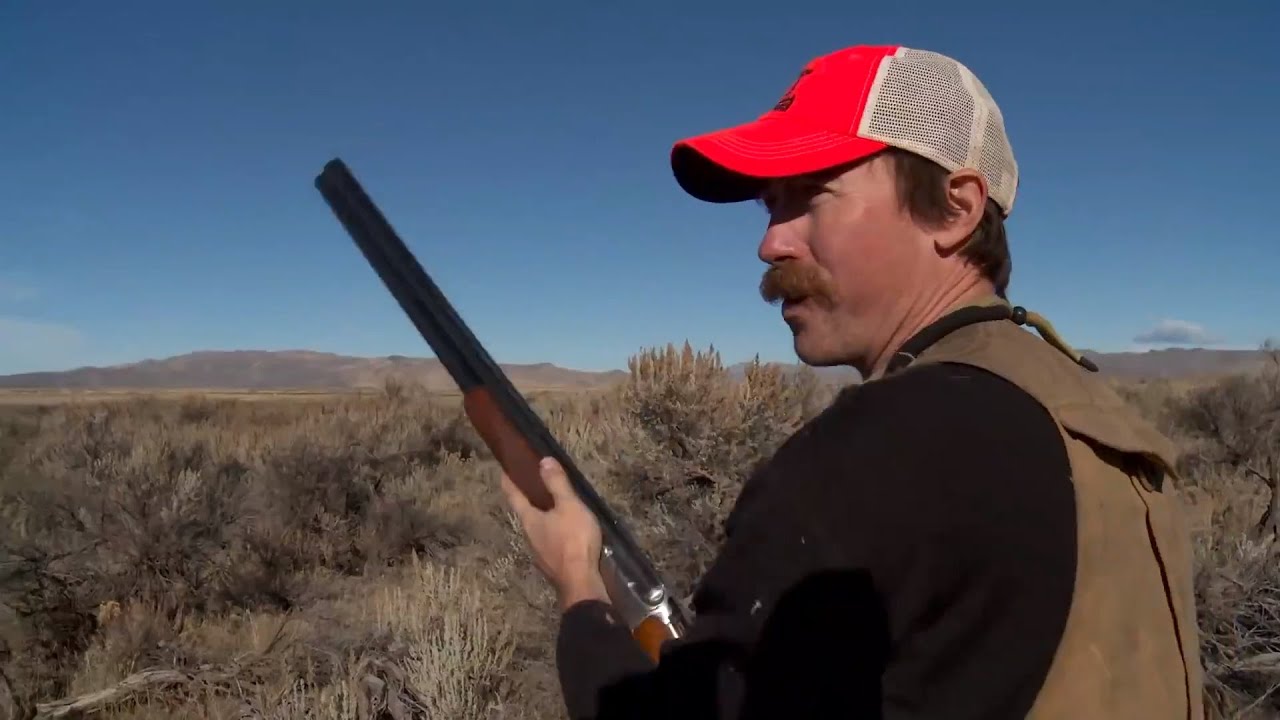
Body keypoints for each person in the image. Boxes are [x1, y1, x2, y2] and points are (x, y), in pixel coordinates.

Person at [500, 44, 1204, 719]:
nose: (771, 242)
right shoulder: (1086, 407)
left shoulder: (885, 445)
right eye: (771, 205)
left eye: (812, 196)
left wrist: (579, 586)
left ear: (955, 209)